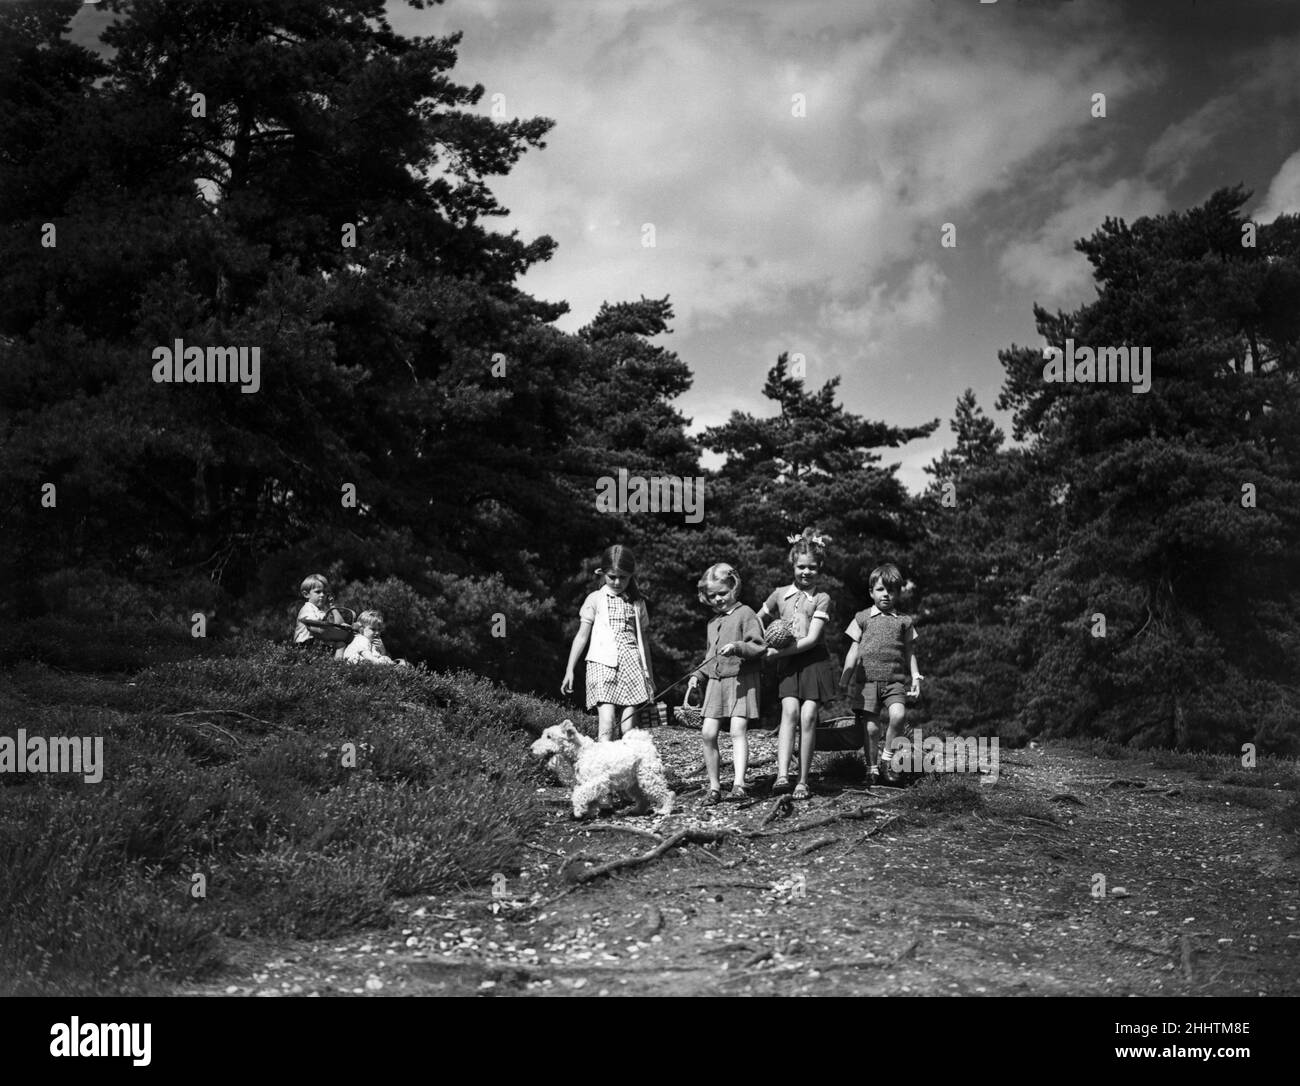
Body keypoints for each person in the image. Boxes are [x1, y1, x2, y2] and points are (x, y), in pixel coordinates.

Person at [759, 528, 837, 800]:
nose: (806, 572)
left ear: (820, 568)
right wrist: (758, 643)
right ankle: (782, 775)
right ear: (792, 565)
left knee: (808, 717)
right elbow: (757, 620)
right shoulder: (780, 594)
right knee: (789, 713)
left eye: (812, 568)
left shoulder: (821, 598)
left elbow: (813, 639)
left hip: (813, 661)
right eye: (801, 566)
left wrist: (774, 655)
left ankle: (803, 780)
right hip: (789, 663)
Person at [686, 563, 765, 805]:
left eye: (723, 592)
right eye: (713, 595)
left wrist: (738, 647)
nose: (719, 599)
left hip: (742, 680)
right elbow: (710, 656)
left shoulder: (746, 613)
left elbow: (759, 646)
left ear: (734, 587)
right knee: (708, 733)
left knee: (737, 731)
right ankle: (714, 787)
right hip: (716, 684)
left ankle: (739, 784)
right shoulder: (712, 623)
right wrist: (697, 676)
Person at [561, 545, 655, 741]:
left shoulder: (637, 603)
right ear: (602, 573)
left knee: (629, 727)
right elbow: (581, 636)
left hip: (632, 666)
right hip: (601, 664)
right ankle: (605, 765)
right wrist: (570, 669)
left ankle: (626, 767)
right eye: (612, 576)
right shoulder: (595, 599)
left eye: (624, 577)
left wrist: (649, 676)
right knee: (607, 722)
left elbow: (643, 642)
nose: (618, 582)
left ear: (631, 576)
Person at [840, 564, 922, 780]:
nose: (886, 595)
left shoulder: (904, 621)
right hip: (867, 682)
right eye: (880, 590)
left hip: (894, 682)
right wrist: (845, 678)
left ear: (898, 593)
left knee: (899, 715)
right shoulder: (862, 618)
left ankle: (887, 758)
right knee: (872, 729)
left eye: (891, 590)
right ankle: (872, 769)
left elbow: (910, 652)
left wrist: (915, 676)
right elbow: (853, 650)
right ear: (871, 592)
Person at [294, 573, 333, 648]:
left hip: (313, 643)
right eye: (318, 592)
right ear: (306, 594)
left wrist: (332, 606)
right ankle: (338, 660)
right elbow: (315, 625)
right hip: (304, 645)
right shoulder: (307, 608)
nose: (322, 595)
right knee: (338, 645)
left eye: (324, 592)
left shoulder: (320, 610)